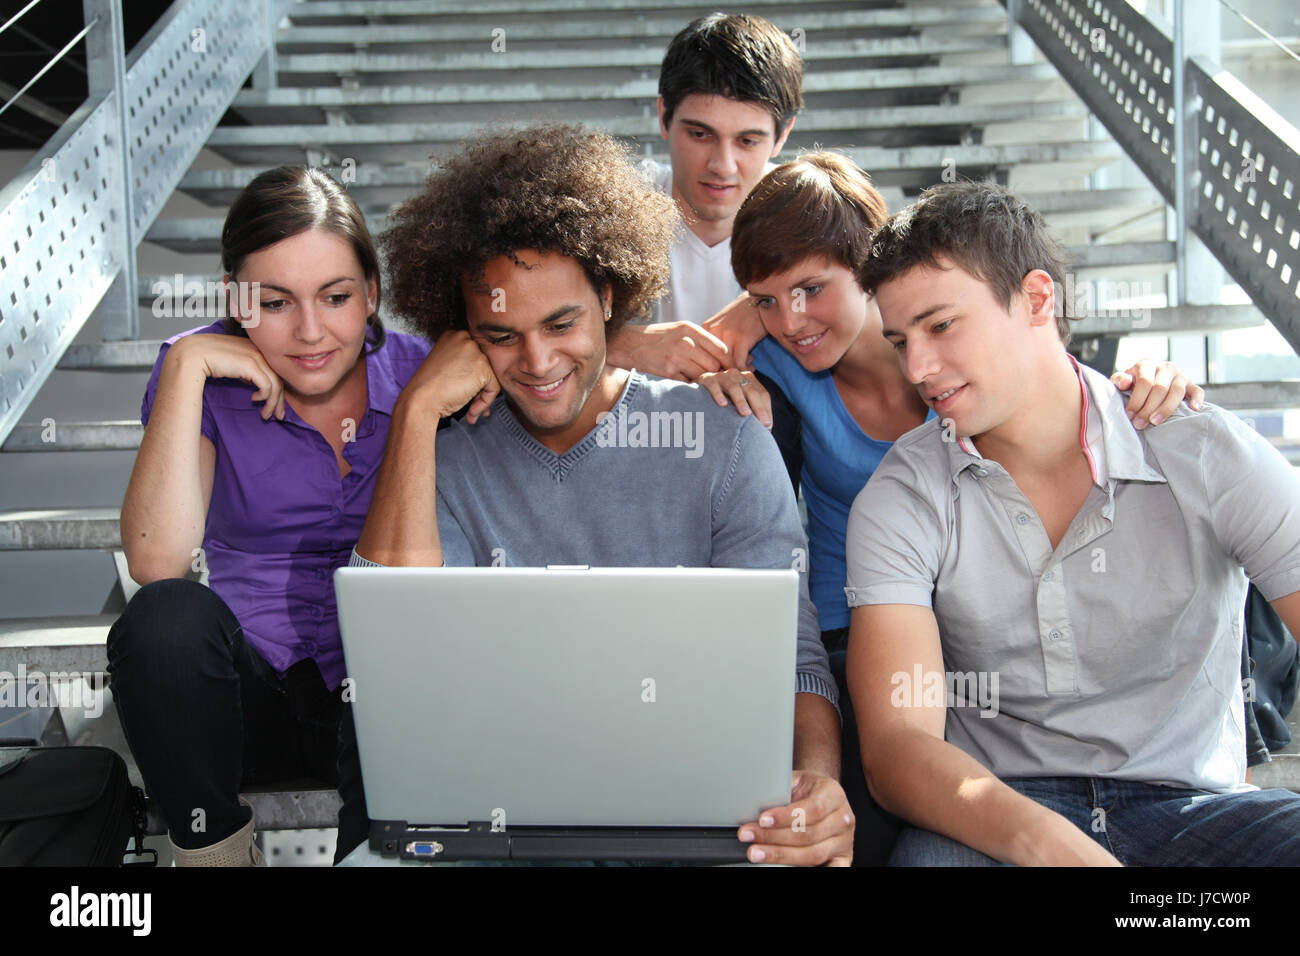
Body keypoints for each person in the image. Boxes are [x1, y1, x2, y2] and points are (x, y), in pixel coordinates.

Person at [337, 124, 852, 866]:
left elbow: (796, 660)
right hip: (492, 826)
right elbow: (393, 658)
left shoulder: (726, 437)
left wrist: (818, 783)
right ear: (463, 336)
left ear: (608, 296)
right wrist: (416, 412)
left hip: (700, 826)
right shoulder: (445, 456)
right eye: (500, 335)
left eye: (561, 322)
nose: (538, 361)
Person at [691, 151, 1204, 864]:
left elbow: (1062, 389)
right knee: (869, 821)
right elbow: (598, 355)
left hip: (995, 624)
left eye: (810, 289)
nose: (791, 319)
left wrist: (1162, 378)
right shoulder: (774, 366)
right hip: (860, 631)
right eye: (766, 300)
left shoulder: (977, 356)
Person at [844, 180, 1300, 865]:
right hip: (1001, 811)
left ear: (1036, 299)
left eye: (940, 326)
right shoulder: (900, 493)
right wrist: (1045, 845)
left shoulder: (1203, 449)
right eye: (900, 340)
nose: (917, 367)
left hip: (1195, 809)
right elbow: (896, 750)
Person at [109, 166, 431, 865]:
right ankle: (216, 857)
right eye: (275, 302)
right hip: (246, 705)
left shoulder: (421, 375)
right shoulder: (199, 373)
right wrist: (189, 362)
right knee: (163, 619)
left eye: (337, 297)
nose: (311, 332)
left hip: (381, 703)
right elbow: (156, 562)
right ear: (236, 299)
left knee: (412, 663)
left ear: (372, 293)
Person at [604, 12, 802, 381]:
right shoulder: (611, 207)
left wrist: (766, 304)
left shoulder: (811, 218)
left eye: (747, 140)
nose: (722, 165)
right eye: (700, 134)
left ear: (783, 134)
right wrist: (625, 344)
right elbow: (527, 327)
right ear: (664, 116)